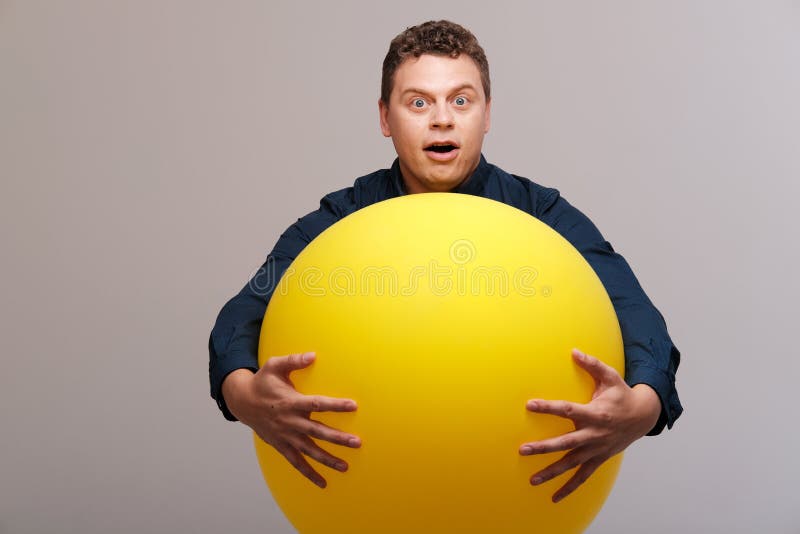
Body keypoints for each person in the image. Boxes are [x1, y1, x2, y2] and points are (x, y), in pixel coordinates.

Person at [209, 20, 682, 504]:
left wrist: (641, 407)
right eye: (418, 102)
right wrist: (246, 398)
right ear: (385, 118)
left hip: (511, 498)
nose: (442, 119)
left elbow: (638, 315)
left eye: (461, 100)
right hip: (371, 497)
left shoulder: (543, 216)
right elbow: (243, 315)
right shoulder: (339, 221)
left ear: (487, 113)